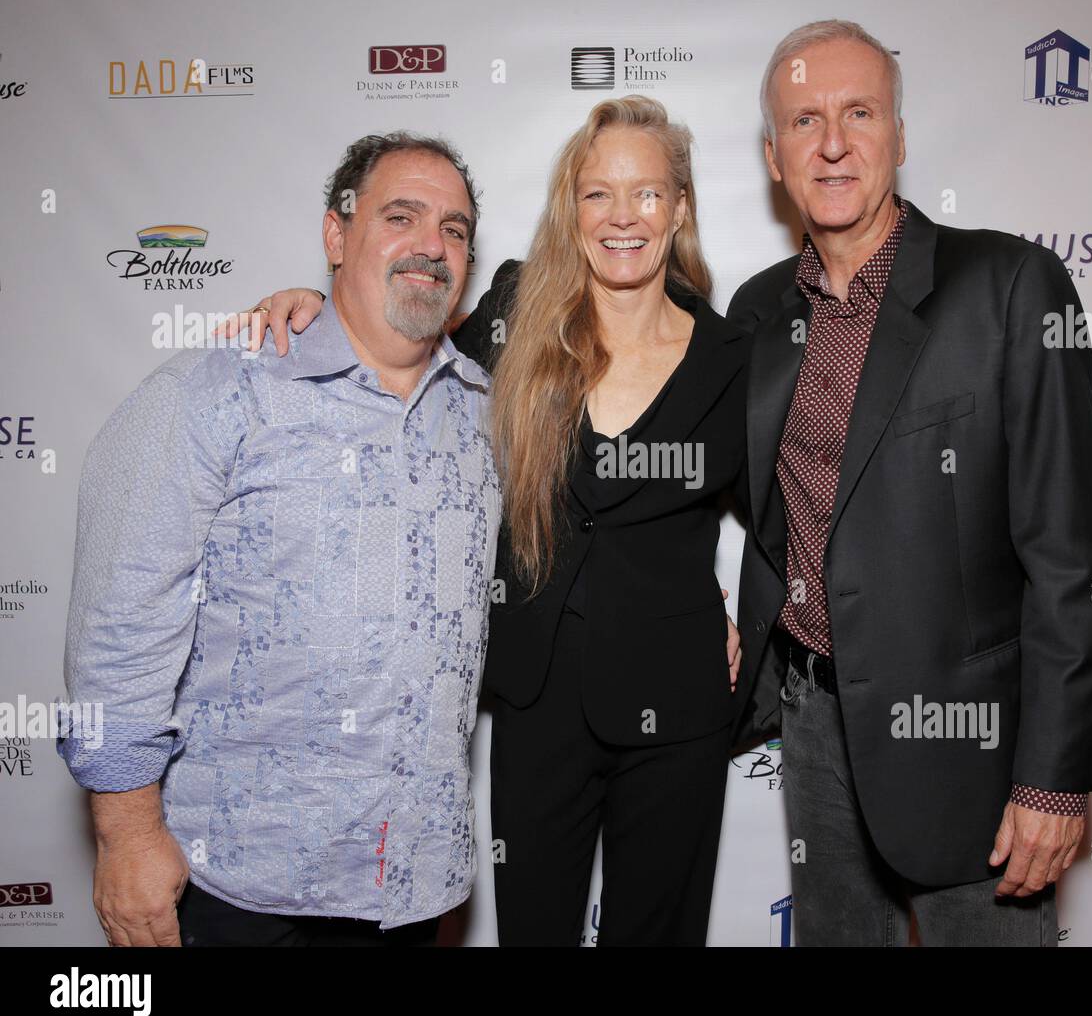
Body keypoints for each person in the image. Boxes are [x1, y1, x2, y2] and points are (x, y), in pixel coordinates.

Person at [218, 97, 748, 946]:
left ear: (679, 207)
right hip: (534, 697)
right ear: (569, 208)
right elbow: (396, 344)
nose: (623, 217)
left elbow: (789, 513)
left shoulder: (735, 356)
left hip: (677, 703)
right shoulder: (512, 313)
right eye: (597, 193)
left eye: (647, 194)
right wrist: (314, 302)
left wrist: (738, 614)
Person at [726, 20, 1092, 945]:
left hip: (971, 745)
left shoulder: (1009, 286)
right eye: (804, 121)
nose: (832, 144)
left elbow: (1071, 555)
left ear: (899, 138)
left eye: (859, 114)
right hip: (813, 723)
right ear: (775, 155)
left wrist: (1053, 775)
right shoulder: (754, 313)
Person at [58, 131, 500, 946]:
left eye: (455, 228)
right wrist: (125, 834)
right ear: (337, 234)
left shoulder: (485, 416)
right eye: (400, 216)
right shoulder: (219, 389)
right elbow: (120, 623)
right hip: (242, 888)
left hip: (413, 885)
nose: (430, 247)